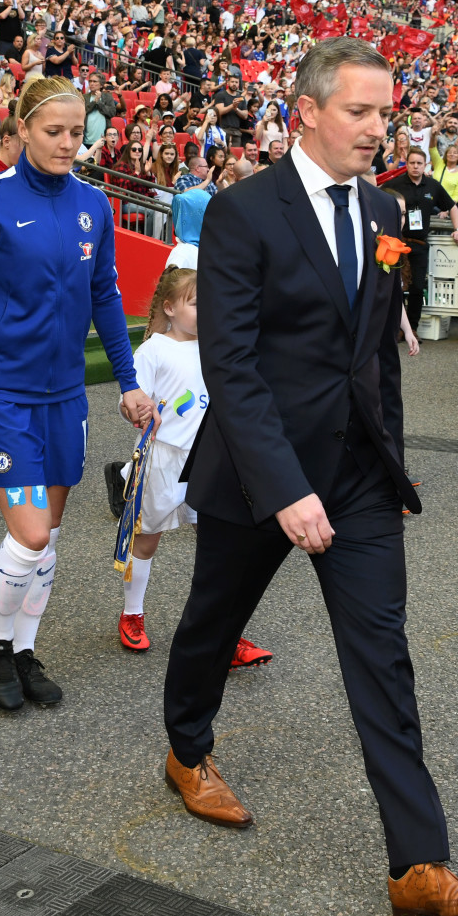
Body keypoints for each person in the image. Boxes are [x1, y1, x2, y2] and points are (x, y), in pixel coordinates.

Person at [161, 39, 458, 916]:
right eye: (360, 111)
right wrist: (284, 489)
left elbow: (376, 361)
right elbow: (230, 366)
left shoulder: (385, 206)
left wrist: (388, 463)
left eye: (385, 112)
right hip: (258, 475)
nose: (376, 128)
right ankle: (185, 748)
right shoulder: (244, 213)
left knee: (382, 657)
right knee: (212, 623)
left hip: (355, 478)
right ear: (306, 111)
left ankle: (419, 863)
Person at [0, 75, 154, 713]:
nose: (66, 143)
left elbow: (106, 296)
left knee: (50, 535)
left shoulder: (94, 204)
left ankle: (24, 650)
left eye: (76, 133)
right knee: (29, 535)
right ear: (23, 130)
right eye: (52, 131)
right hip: (2, 395)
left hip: (65, 398)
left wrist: (129, 382)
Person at [112, 266, 275, 665]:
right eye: (198, 303)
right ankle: (132, 614)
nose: (209, 310)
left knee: (221, 545)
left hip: (213, 459)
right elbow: (129, 398)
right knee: (146, 539)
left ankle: (224, 633)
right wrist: (134, 410)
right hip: (163, 460)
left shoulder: (220, 345)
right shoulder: (154, 349)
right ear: (169, 307)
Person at [393, 146, 458, 331]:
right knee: (395, 288)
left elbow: (452, 206)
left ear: (426, 165)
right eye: (412, 163)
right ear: (406, 164)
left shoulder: (433, 185)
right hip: (398, 242)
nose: (415, 167)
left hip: (420, 244)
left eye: (419, 163)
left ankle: (412, 329)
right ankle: (395, 328)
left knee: (417, 287)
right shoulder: (395, 184)